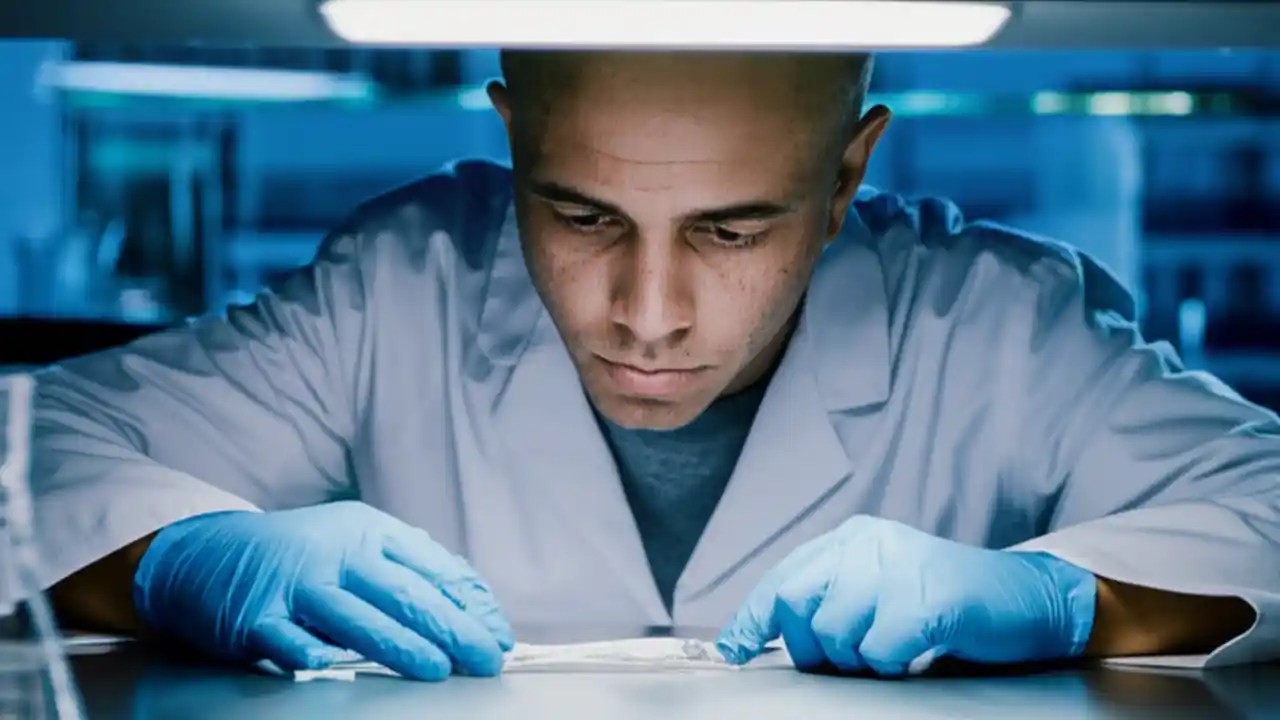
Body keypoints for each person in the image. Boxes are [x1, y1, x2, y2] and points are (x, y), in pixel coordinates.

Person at [36, 50, 1276, 682]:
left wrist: (1063, 597)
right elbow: (27, 448)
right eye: (579, 219)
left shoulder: (996, 324)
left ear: (846, 177)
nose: (646, 314)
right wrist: (174, 560)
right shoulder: (398, 287)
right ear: (510, 136)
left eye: (731, 231)